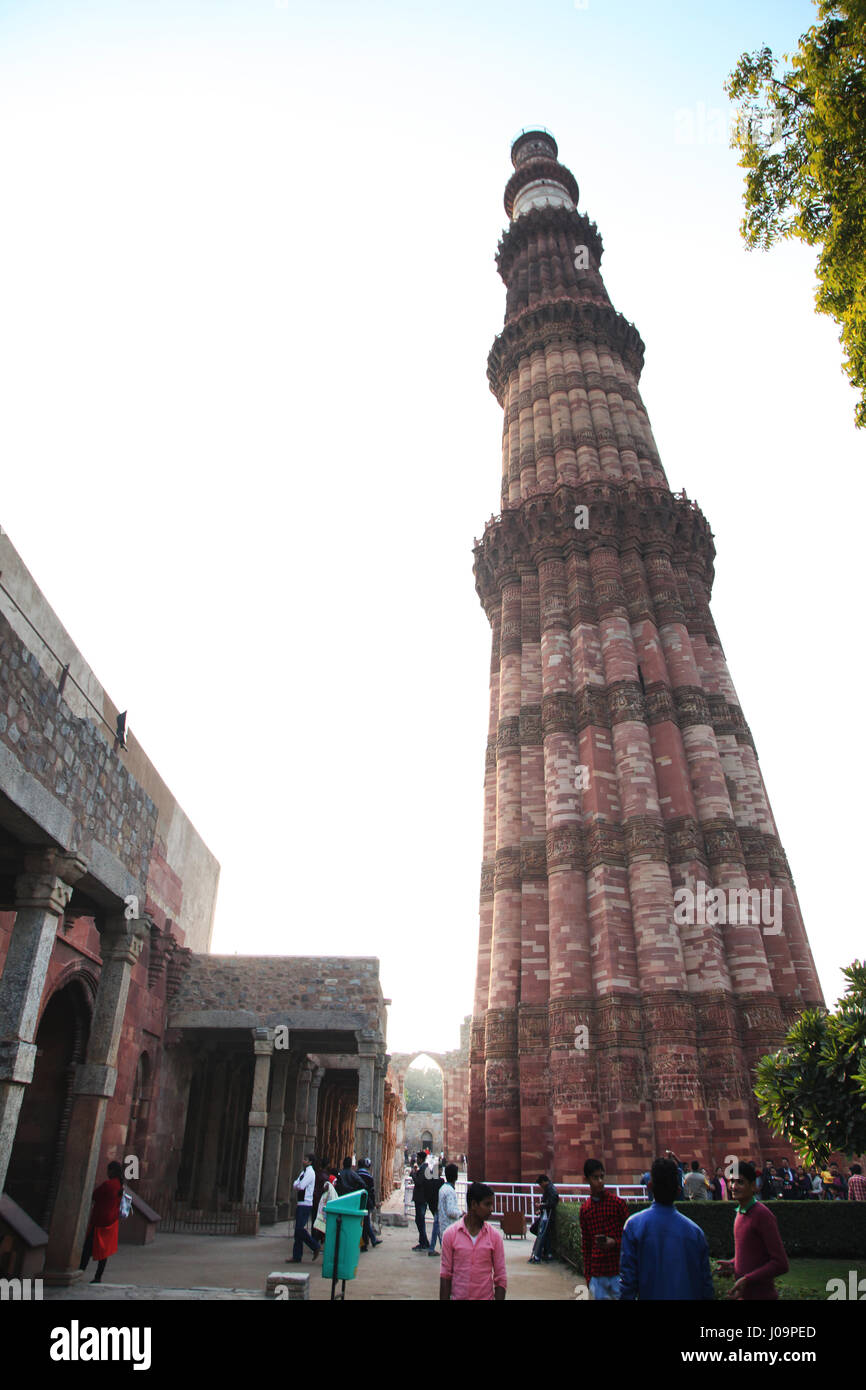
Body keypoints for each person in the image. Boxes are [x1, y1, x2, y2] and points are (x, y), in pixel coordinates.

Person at [619, 1157, 714, 1301]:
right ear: (678, 1191)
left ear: (649, 1186)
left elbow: (627, 1285)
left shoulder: (633, 1226)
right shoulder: (695, 1233)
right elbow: (706, 1288)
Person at [717, 1160, 789, 1300]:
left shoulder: (762, 1215)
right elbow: (753, 1254)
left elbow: (781, 1264)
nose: (734, 1186)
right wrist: (733, 1264)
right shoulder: (740, 1213)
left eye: (740, 1182)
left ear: (753, 1186)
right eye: (731, 1182)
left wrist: (748, 1279)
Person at [439, 1182, 507, 1301]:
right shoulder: (450, 1235)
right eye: (487, 1204)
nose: (491, 1209)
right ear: (474, 1204)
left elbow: (500, 1277)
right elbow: (445, 1275)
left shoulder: (495, 1237)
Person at [579, 1158, 628, 1299]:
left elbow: (630, 1238)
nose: (600, 1181)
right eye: (595, 1177)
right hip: (597, 1273)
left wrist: (614, 1242)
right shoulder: (585, 1209)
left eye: (602, 1177)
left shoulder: (617, 1204)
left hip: (617, 1271)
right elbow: (586, 1245)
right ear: (587, 1179)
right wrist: (589, 1277)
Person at [79, 1160, 125, 1284]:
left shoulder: (108, 1185)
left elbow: (94, 1195)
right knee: (104, 1251)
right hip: (111, 1222)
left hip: (100, 1221)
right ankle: (98, 1276)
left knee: (87, 1248)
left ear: (112, 1171)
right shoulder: (120, 1186)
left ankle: (80, 1271)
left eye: (108, 1170)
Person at [291, 1152, 321, 1263]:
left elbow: (301, 1185)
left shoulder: (310, 1173)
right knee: (297, 1231)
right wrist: (297, 1185)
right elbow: (295, 1184)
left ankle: (314, 1245)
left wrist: (297, 1185)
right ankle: (296, 1256)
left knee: (299, 1229)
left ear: (310, 1162)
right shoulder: (304, 1172)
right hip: (301, 1203)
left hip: (306, 1203)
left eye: (306, 1159)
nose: (303, 1161)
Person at [529, 1174, 559, 1263]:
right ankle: (547, 1252)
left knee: (542, 1234)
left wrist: (541, 1206)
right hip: (546, 1215)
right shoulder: (548, 1189)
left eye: (540, 1184)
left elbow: (552, 1203)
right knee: (543, 1234)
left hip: (548, 1217)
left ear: (544, 1182)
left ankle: (546, 1252)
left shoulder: (551, 1189)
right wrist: (541, 1209)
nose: (540, 1186)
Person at [357, 1157, 381, 1250]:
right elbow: (372, 1192)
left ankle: (368, 1241)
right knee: (366, 1222)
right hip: (367, 1202)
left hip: (356, 1201)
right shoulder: (369, 1176)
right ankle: (368, 1241)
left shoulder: (356, 1175)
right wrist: (374, 1203)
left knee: (360, 1222)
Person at [436, 1162, 461, 1250]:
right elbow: (450, 1211)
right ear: (456, 1176)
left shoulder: (442, 1188)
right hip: (450, 1229)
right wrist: (461, 1213)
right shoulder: (450, 1191)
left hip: (443, 1227)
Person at [425, 1157, 445, 1254]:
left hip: (432, 1205)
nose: (441, 1172)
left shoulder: (430, 1180)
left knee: (437, 1227)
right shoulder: (440, 1181)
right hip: (438, 1206)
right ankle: (432, 1248)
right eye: (441, 1170)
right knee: (436, 1227)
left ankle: (442, 1246)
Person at [410, 1151, 429, 1250]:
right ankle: (424, 1241)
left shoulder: (423, 1169)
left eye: (418, 1158)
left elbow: (419, 1182)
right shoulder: (424, 1168)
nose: (417, 1159)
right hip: (422, 1198)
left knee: (420, 1221)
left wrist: (413, 1174)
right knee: (420, 1220)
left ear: (421, 1159)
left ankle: (423, 1243)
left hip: (421, 1198)